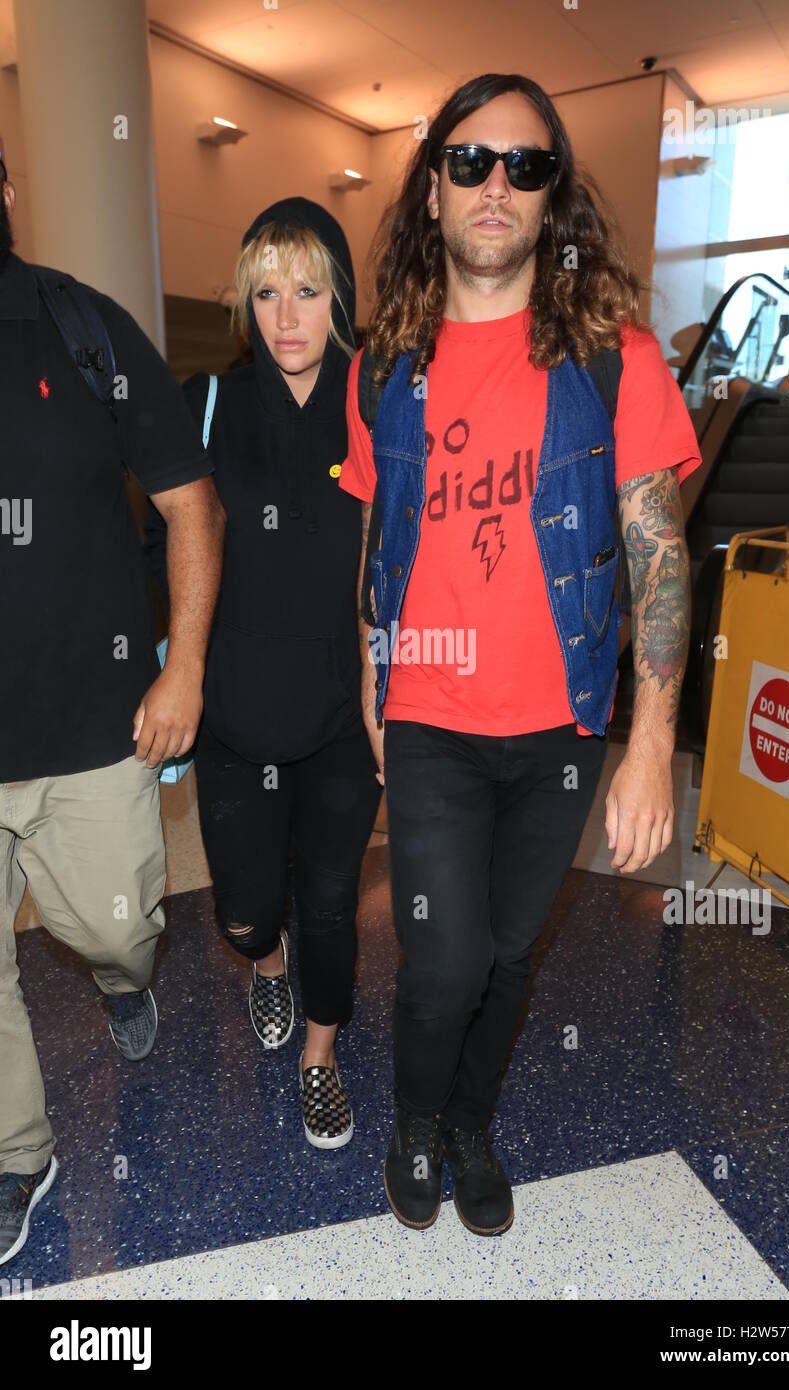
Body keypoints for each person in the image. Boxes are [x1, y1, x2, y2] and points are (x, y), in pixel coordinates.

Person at [340, 74, 702, 1235]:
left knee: (505, 960)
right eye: (470, 161)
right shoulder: (381, 366)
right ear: (432, 190)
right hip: (433, 717)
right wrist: (370, 667)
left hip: (557, 727)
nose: (496, 184)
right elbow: (374, 532)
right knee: (441, 962)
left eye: (526, 166)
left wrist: (649, 747)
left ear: (551, 202)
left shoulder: (611, 361)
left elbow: (657, 555)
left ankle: (468, 1124)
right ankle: (412, 1117)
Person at [0, 146, 225, 1265]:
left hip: (95, 728)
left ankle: (124, 978)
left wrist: (181, 668)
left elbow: (191, 502)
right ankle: (18, 1155)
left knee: (117, 927)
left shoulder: (82, 330)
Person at [146, 199, 381, 1150]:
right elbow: (156, 541)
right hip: (235, 714)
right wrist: (168, 668)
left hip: (339, 717)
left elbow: (404, 551)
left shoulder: (374, 402)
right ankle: (267, 962)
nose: (288, 315)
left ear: (340, 299)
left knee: (330, 899)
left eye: (309, 290)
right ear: (247, 305)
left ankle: (320, 1057)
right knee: (246, 914)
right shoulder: (207, 402)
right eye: (268, 292)